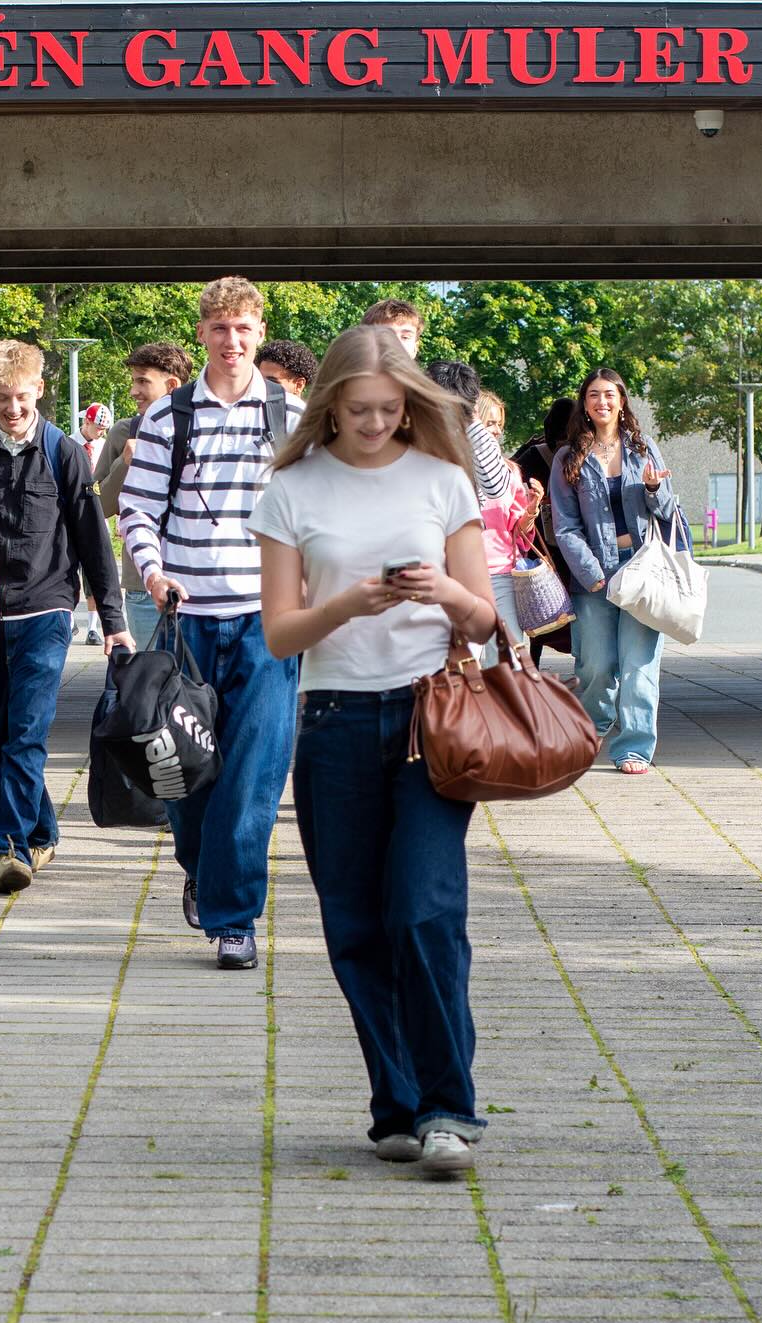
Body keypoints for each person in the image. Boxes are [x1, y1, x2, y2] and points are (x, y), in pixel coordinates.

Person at [248, 324, 499, 1178]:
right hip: (334, 723)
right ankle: (396, 1105)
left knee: (424, 911)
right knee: (355, 925)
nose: (375, 423)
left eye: (391, 410)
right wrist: (345, 605)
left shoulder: (442, 481)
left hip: (432, 720)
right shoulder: (290, 490)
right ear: (329, 406)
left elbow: (487, 620)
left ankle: (448, 1110)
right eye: (359, 410)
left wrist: (446, 592)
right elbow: (281, 635)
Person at [118, 276, 304, 972]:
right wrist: (153, 570)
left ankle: (234, 918)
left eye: (245, 329)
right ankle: (199, 865)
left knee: (253, 775)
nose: (233, 342)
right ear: (202, 334)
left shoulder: (291, 415)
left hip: (267, 621)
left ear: (260, 333)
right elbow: (137, 510)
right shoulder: (169, 418)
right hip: (185, 622)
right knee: (185, 776)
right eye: (221, 329)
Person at [0, 340, 131, 893]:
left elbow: (93, 539)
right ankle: (42, 829)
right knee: (4, 734)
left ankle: (4, 847)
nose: (12, 408)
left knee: (28, 731)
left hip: (47, 608)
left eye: (20, 396)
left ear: (38, 390)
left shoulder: (63, 451)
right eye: (1, 397)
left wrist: (113, 619)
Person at [549, 368, 679, 775]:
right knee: (595, 666)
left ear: (622, 401)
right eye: (593, 395)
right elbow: (565, 526)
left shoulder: (644, 449)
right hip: (594, 576)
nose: (601, 402)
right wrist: (592, 573)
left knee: (639, 664)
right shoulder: (568, 458)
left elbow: (669, 512)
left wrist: (654, 489)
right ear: (584, 405)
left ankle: (634, 747)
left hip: (641, 571)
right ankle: (592, 729)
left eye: (609, 395)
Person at [426, 360, 540, 648]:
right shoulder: (417, 438)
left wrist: (471, 422)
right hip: (439, 570)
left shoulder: (482, 446)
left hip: (493, 570)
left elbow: (496, 487)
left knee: (506, 661)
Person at [97, 342, 194, 651]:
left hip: (197, 585)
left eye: (142, 381)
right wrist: (124, 464)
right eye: (133, 380)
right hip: (142, 585)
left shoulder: (204, 429)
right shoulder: (123, 432)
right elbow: (100, 505)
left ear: (172, 385)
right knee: (152, 683)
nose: (133, 390)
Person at [511, 398, 576, 664]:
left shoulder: (532, 454)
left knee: (541, 601)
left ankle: (534, 663)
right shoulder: (579, 452)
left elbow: (510, 472)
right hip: (565, 545)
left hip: (543, 546)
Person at [71, 401, 114, 645]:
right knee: (67, 573)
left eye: (103, 429)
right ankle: (69, 621)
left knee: (94, 575)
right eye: (98, 428)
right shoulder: (67, 443)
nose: (100, 433)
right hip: (70, 517)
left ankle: (93, 628)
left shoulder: (103, 447)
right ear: (86, 422)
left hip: (96, 516)